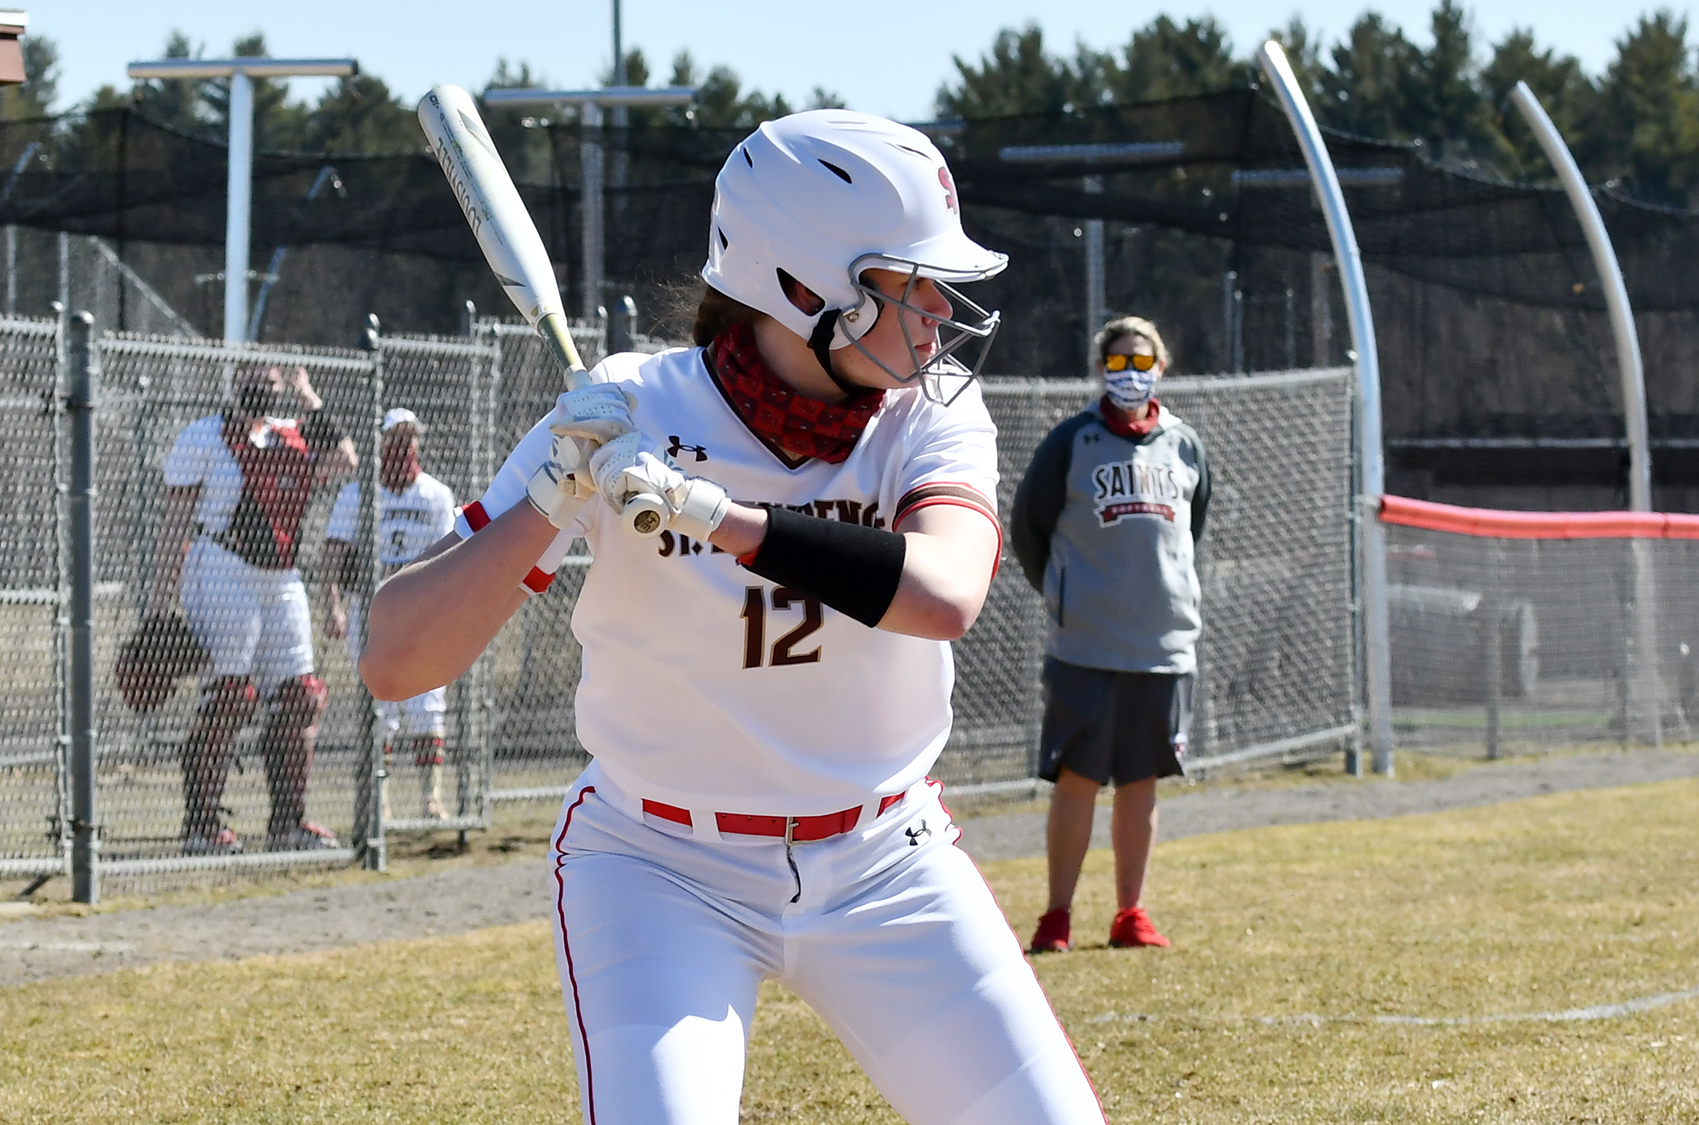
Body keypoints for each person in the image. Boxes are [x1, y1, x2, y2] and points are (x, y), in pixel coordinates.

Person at [361, 110, 1105, 1124]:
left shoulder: (926, 414)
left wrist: (714, 516)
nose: (938, 309)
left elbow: (944, 594)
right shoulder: (620, 409)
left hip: (887, 858)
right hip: (660, 868)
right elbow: (396, 661)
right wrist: (550, 495)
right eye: (903, 281)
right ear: (801, 288)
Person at [1010, 316, 1211, 954]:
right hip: (1087, 646)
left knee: (1142, 779)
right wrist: (1065, 596)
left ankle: (1131, 913)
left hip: (1162, 644)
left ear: (1162, 365)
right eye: (1119, 363)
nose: (1132, 373)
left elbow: (1192, 529)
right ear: (1101, 369)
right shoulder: (1073, 441)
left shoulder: (1184, 444)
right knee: (1078, 778)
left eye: (1142, 361)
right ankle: (1057, 916)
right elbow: (1028, 526)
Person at [149, 362, 358, 855]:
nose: (258, 390)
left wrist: (310, 399)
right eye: (248, 380)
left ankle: (289, 821)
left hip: (282, 575)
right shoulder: (206, 436)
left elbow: (344, 460)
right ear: (231, 383)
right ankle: (202, 825)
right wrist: (161, 602)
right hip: (222, 562)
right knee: (230, 696)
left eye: (268, 382)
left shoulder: (291, 436)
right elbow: (175, 519)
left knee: (302, 696)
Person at [322, 407, 460, 820]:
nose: (403, 446)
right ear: (381, 443)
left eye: (410, 437)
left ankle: (431, 800)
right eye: (395, 438)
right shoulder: (357, 494)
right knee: (379, 705)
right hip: (373, 606)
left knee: (426, 704)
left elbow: (451, 556)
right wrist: (332, 605)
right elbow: (333, 553)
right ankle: (378, 805)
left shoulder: (437, 494)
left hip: (423, 609)